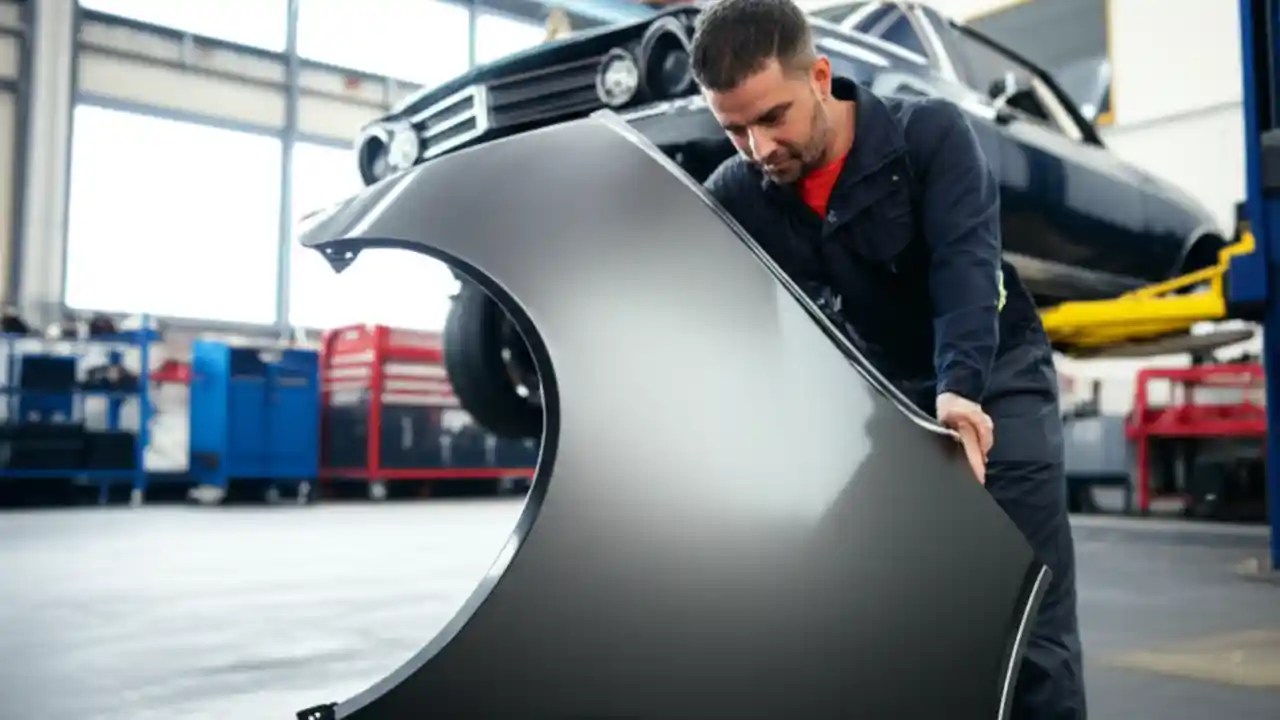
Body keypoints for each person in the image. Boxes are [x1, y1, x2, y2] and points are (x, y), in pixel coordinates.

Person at [689, 0, 1087, 717]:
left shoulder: (928, 135)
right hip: (892, 401)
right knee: (861, 607)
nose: (758, 147)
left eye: (773, 117)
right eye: (735, 129)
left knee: (1027, 619)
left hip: (994, 380)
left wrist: (961, 389)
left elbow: (968, 267)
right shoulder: (738, 195)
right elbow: (722, 323)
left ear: (819, 76)